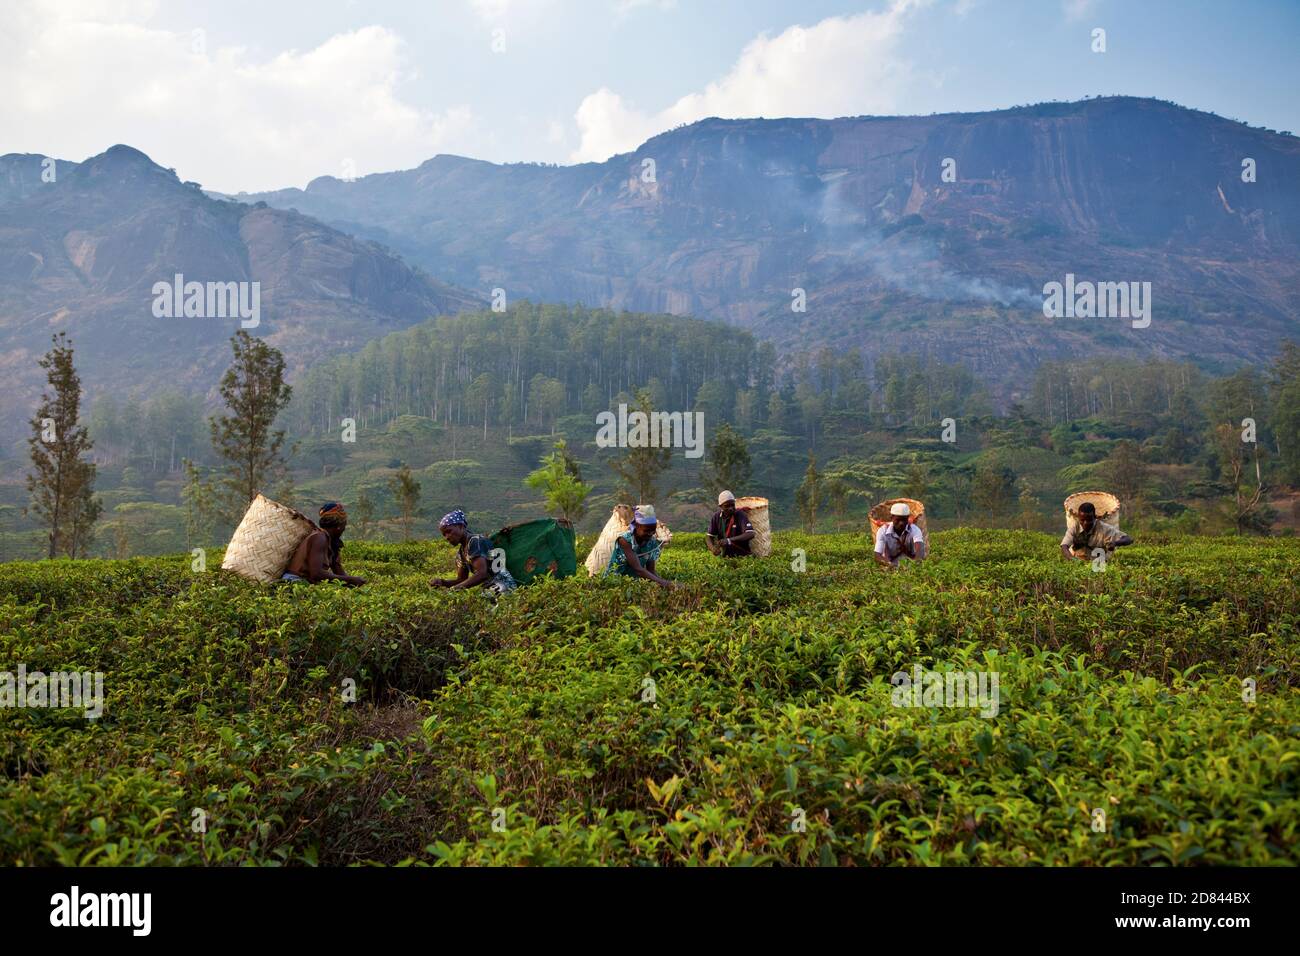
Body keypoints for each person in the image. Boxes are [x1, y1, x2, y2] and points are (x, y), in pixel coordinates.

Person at [431, 510, 518, 595]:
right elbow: (461, 580)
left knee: (480, 604)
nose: (447, 537)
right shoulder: (461, 554)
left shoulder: (475, 541)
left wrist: (454, 590)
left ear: (461, 526)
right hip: (489, 586)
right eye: (444, 534)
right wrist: (443, 582)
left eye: (449, 531)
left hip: (503, 584)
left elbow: (482, 574)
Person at [282, 502, 367, 586]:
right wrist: (351, 579)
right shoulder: (320, 538)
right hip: (293, 581)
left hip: (307, 582)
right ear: (338, 526)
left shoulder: (332, 543)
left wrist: (353, 583)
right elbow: (316, 573)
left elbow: (339, 572)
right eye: (344, 525)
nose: (344, 529)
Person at [604, 505, 675, 588]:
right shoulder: (625, 540)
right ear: (637, 526)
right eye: (646, 531)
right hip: (614, 583)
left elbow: (651, 571)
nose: (650, 533)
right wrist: (665, 583)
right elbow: (638, 569)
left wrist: (668, 584)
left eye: (653, 530)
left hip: (633, 584)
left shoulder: (651, 542)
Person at [1061, 501, 1133, 560]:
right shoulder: (1075, 527)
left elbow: (1128, 539)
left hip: (1099, 562)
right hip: (1079, 560)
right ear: (1079, 518)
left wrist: (1115, 543)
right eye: (1082, 520)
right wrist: (1071, 558)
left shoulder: (1104, 528)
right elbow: (1064, 546)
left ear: (1095, 517)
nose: (1085, 523)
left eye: (1089, 520)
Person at [873, 502, 927, 569]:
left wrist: (913, 566)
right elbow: (877, 555)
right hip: (890, 565)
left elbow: (920, 552)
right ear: (892, 518)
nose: (901, 523)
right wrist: (891, 565)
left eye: (904, 520)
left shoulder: (914, 530)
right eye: (898, 520)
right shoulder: (883, 531)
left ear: (908, 518)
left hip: (911, 564)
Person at [706, 490, 756, 558]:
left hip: (743, 556)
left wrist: (729, 540)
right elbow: (709, 537)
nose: (731, 508)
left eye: (732, 505)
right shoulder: (716, 517)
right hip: (725, 556)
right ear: (720, 506)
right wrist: (713, 549)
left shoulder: (740, 514)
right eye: (727, 506)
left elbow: (750, 534)